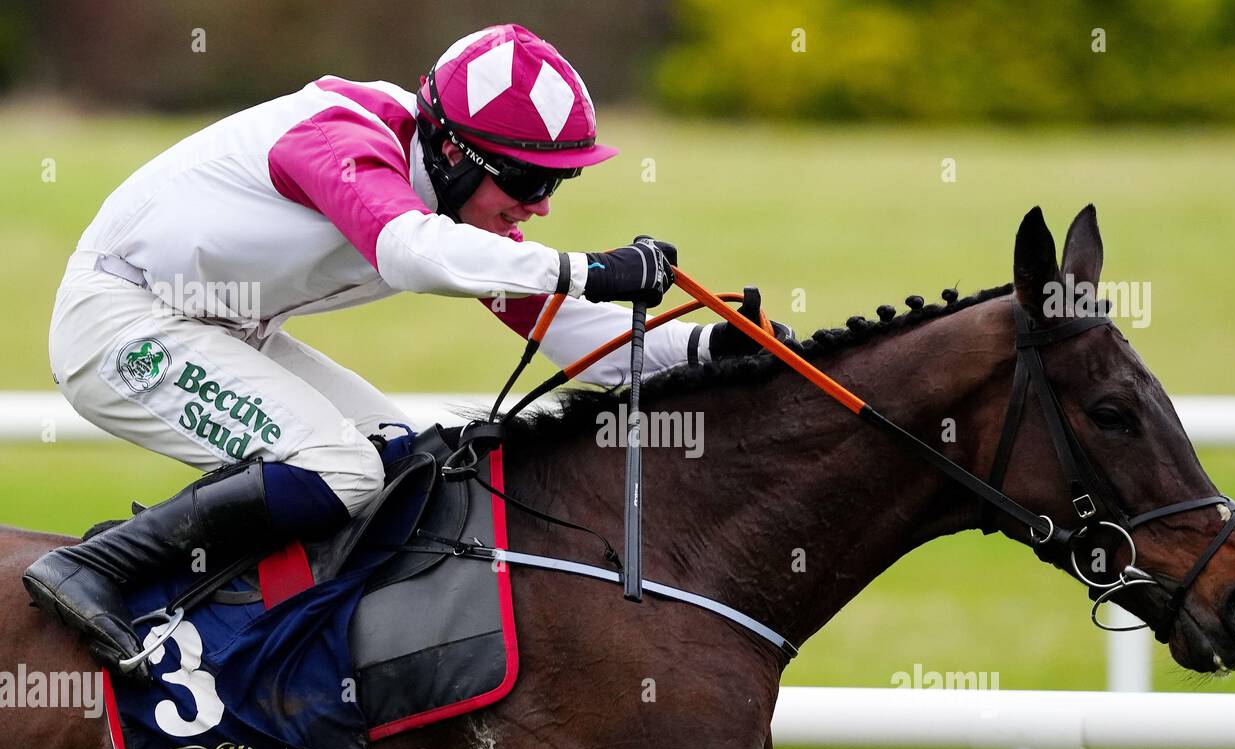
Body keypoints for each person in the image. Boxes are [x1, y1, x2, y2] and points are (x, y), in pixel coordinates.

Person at [24, 23, 783, 681]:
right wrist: (588, 265)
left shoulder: (457, 207)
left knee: (404, 463)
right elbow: (406, 251)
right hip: (121, 322)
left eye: (561, 180)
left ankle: (293, 644)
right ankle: (96, 566)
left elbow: (567, 329)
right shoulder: (340, 133)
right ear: (450, 147)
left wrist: (707, 347)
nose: (541, 205)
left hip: (214, 324)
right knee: (339, 472)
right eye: (524, 178)